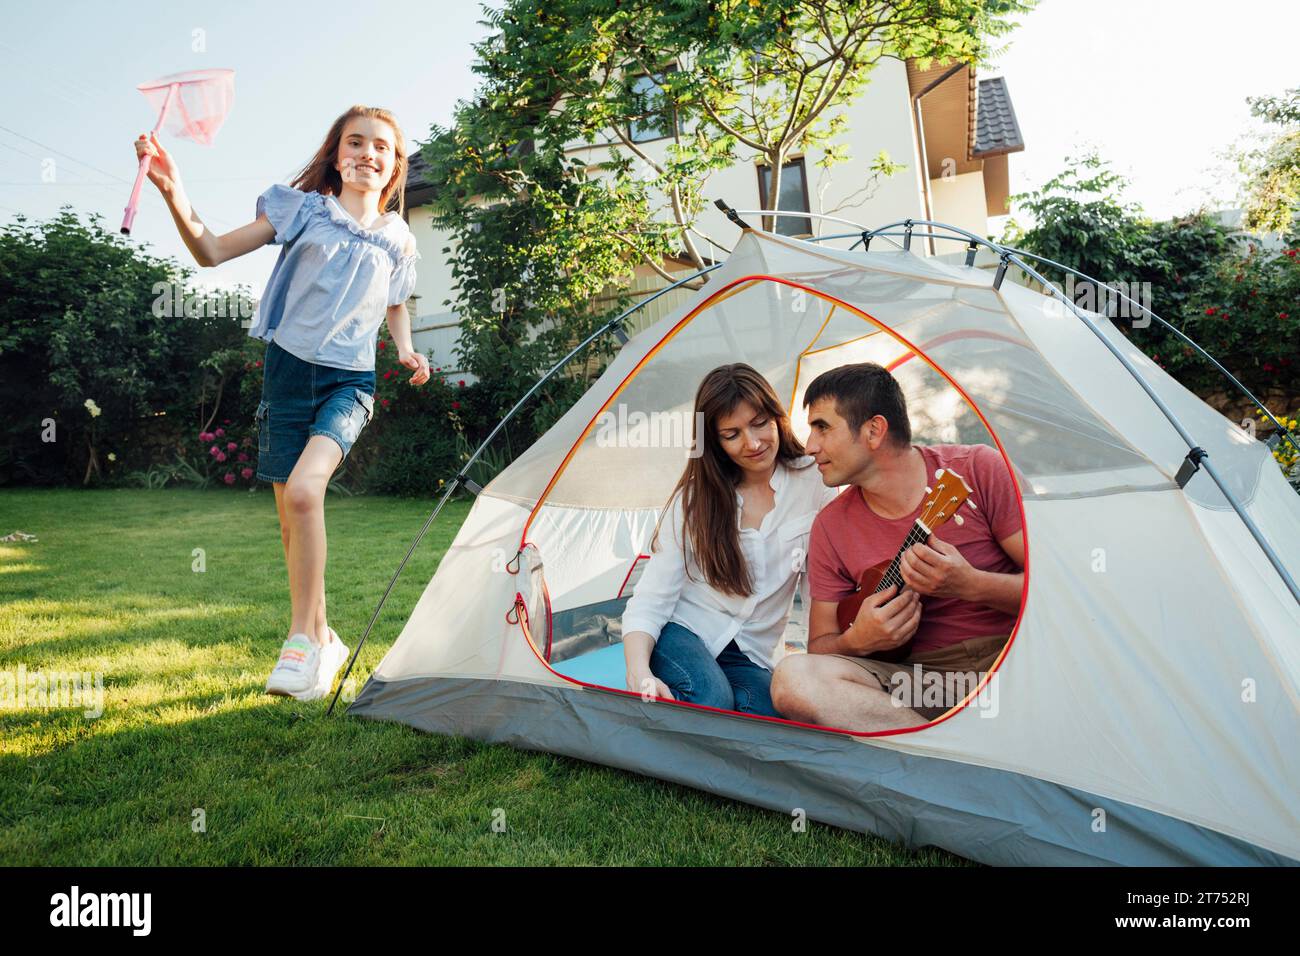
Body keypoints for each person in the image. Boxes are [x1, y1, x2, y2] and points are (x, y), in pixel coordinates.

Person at [133, 106, 430, 700]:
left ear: (395, 163)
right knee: (294, 525)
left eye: (381, 147)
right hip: (288, 374)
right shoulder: (302, 210)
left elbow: (396, 301)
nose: (367, 153)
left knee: (303, 492)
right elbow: (211, 251)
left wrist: (406, 351)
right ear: (336, 152)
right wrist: (174, 190)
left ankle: (299, 642)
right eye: (355, 142)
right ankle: (324, 640)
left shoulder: (398, 237)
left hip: (349, 383)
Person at [769, 363, 1024, 731]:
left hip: (1013, 660)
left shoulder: (978, 469)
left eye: (822, 427)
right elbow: (820, 646)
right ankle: (939, 755)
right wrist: (858, 640)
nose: (810, 447)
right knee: (794, 678)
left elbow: (1061, 593)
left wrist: (971, 585)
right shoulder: (829, 526)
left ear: (874, 430)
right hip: (916, 684)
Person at [621, 363, 840, 717]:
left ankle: (694, 698)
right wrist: (639, 671)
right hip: (684, 631)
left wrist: (819, 670)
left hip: (753, 654)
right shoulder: (694, 500)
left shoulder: (814, 480)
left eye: (759, 423)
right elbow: (651, 598)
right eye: (732, 433)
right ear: (715, 441)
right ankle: (679, 695)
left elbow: (818, 590)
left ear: (776, 417)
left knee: (773, 718)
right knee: (711, 701)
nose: (753, 443)